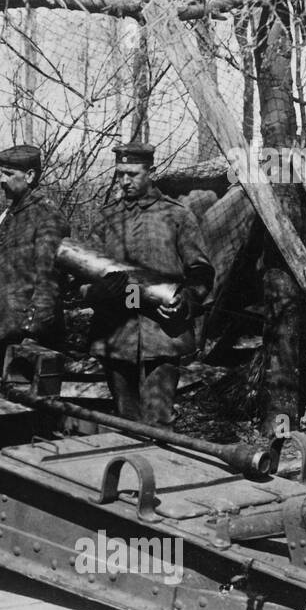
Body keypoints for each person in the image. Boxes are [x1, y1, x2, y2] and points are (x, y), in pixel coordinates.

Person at [83, 142, 214, 427]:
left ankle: (161, 468)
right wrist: (97, 292)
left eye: (133, 174)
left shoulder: (177, 215)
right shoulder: (106, 218)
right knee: (125, 421)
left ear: (151, 172)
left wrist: (188, 299)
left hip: (163, 333)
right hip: (116, 335)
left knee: (159, 421)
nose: (124, 181)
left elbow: (201, 271)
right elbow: (81, 279)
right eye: (120, 174)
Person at [0, 144, 71, 370]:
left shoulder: (46, 217)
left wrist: (32, 335)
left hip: (27, 336)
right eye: (1, 173)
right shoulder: (16, 212)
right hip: (6, 331)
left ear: (29, 176)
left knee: (23, 402)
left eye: (9, 174)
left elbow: (48, 281)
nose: (1, 180)